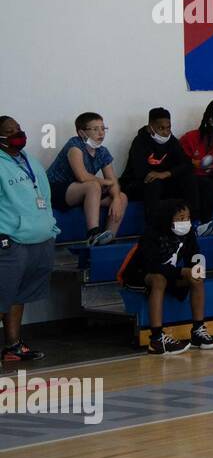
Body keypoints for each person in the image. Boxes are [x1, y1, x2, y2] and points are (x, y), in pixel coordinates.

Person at [119, 199, 213, 354]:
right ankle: (156, 339)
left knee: (196, 278)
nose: (186, 222)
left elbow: (194, 254)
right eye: (181, 218)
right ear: (168, 218)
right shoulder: (151, 235)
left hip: (169, 273)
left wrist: (197, 268)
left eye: (188, 218)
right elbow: (152, 266)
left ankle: (198, 330)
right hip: (139, 275)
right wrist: (182, 272)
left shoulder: (188, 233)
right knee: (159, 279)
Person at [0, 115, 57, 362]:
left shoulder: (29, 160)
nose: (18, 133)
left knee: (18, 295)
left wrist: (50, 225)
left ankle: (13, 346)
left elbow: (45, 195)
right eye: (10, 131)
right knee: (2, 294)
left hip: (39, 237)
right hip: (11, 239)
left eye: (19, 128)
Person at [120, 107, 212, 236]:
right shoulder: (140, 142)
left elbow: (186, 164)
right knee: (154, 183)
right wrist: (160, 176)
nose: (165, 132)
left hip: (164, 181)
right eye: (161, 128)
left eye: (168, 128)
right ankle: (153, 229)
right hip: (139, 184)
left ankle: (195, 222)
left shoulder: (172, 141)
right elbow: (141, 173)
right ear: (150, 127)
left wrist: (166, 174)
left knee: (193, 179)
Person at [45, 112, 127, 246]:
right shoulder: (75, 145)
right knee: (93, 185)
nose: (101, 133)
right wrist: (106, 182)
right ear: (82, 133)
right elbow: (82, 176)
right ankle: (93, 234)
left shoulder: (102, 151)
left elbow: (113, 180)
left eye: (103, 128)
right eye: (95, 129)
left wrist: (116, 198)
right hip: (57, 189)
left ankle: (108, 239)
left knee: (122, 197)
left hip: (81, 192)